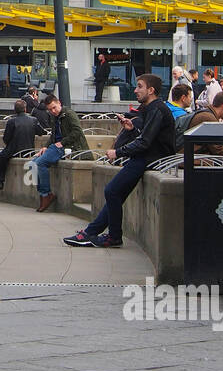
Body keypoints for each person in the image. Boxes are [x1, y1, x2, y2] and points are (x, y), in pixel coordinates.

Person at [64, 74, 173, 248]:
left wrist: (118, 152)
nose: (135, 90)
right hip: (147, 157)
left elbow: (146, 142)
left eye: (139, 87)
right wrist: (132, 128)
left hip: (149, 159)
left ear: (151, 90)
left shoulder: (157, 109)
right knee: (115, 193)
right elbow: (147, 137)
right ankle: (92, 232)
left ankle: (113, 236)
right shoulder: (150, 108)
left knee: (112, 191)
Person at [31, 94, 89, 212]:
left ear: (59, 103)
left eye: (54, 108)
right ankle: (43, 195)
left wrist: (62, 142)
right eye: (50, 109)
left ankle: (46, 194)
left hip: (69, 147)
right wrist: (45, 147)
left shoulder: (69, 114)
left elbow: (77, 132)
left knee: (40, 163)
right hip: (56, 146)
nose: (53, 111)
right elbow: (53, 135)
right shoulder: (54, 117)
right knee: (33, 163)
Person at [0, 99, 43, 200]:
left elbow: (6, 138)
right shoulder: (33, 120)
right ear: (25, 109)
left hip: (14, 150)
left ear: (15, 110)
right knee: (2, 159)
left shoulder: (11, 121)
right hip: (29, 149)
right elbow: (41, 132)